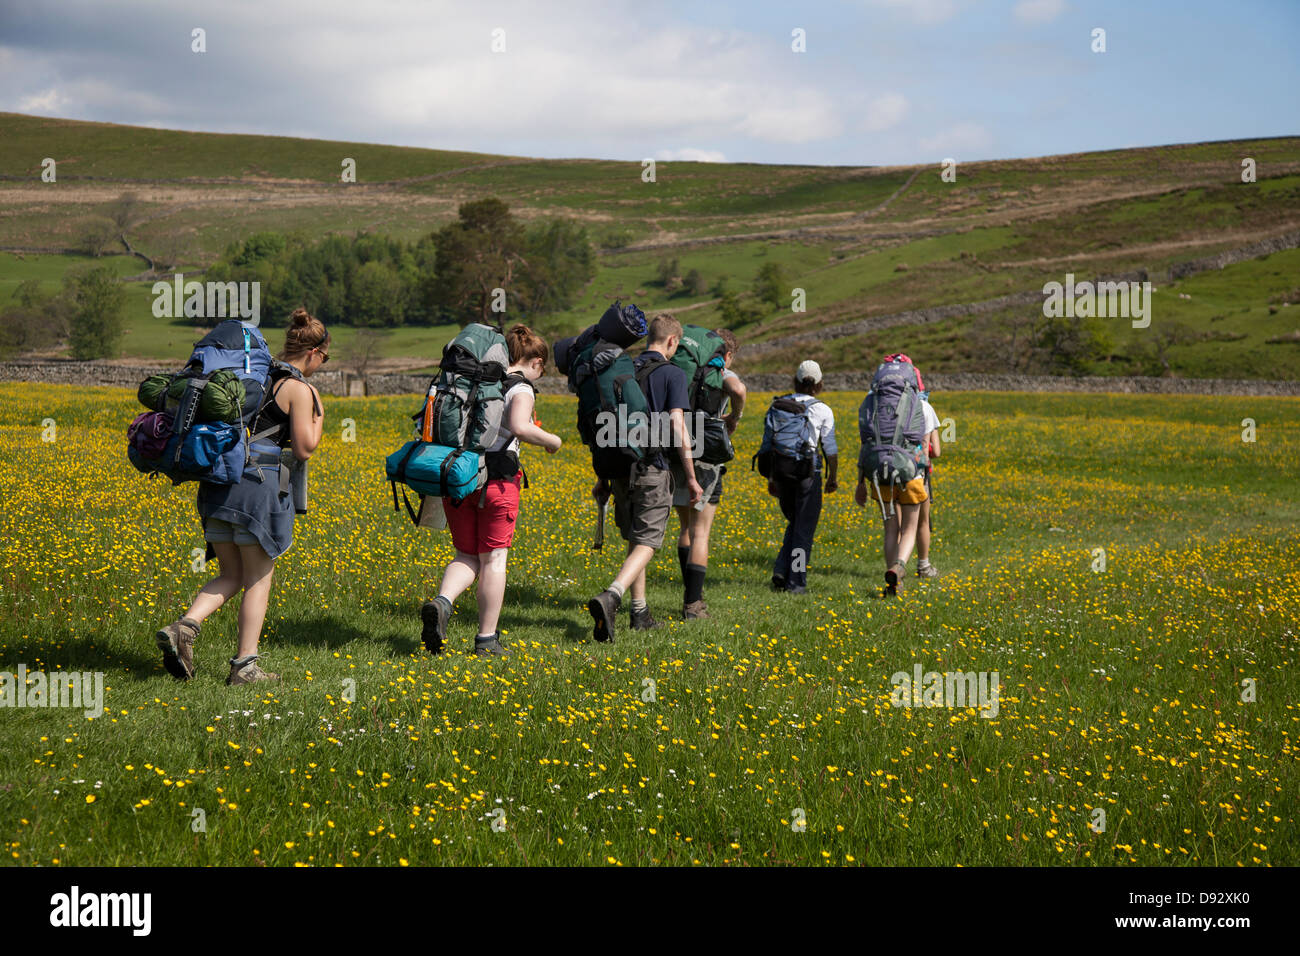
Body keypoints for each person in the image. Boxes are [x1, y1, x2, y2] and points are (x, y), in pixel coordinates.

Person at [154, 308, 327, 685]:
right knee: (258, 579)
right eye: (324, 358)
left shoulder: (253, 377)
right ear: (314, 353)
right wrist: (318, 415)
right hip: (258, 489)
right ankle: (244, 667)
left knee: (229, 573)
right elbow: (304, 448)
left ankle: (184, 627)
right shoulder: (299, 388)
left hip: (218, 482)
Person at [422, 325, 562, 657]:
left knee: (466, 556)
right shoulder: (521, 387)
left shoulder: (482, 379)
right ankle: (486, 640)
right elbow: (519, 427)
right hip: (498, 482)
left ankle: (443, 602)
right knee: (494, 558)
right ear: (536, 362)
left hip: (462, 477)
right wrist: (553, 442)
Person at [588, 314, 702, 641]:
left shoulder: (624, 369)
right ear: (672, 342)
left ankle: (639, 613)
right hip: (653, 465)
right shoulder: (672, 373)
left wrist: (602, 476)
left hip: (621, 466)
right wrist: (692, 478)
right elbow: (678, 426)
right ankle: (612, 595)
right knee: (649, 541)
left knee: (636, 539)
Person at [670, 328, 746, 619]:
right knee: (700, 533)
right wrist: (735, 418)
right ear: (727, 354)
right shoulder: (721, 371)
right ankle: (693, 605)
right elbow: (739, 391)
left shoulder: (684, 366)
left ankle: (693, 594)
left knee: (686, 528)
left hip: (678, 450)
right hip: (707, 457)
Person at [853, 353, 927, 597]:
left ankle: (892, 581)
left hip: (879, 470)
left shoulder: (870, 400)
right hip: (910, 471)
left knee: (890, 530)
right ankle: (901, 567)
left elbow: (865, 440)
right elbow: (923, 443)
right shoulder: (919, 402)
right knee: (909, 529)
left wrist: (860, 482)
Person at [770, 360, 837, 594]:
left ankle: (781, 569)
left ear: (795, 382)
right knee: (803, 530)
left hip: (781, 472)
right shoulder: (822, 409)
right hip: (808, 473)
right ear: (819, 384)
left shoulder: (778, 405)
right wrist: (833, 477)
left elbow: (769, 443)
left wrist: (771, 478)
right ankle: (796, 582)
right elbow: (830, 448)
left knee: (795, 523)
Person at [915, 391, 942, 578]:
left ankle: (895, 565)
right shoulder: (925, 407)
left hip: (889, 470)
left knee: (896, 526)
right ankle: (923, 566)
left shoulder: (884, 403)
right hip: (918, 473)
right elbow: (936, 451)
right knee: (922, 522)